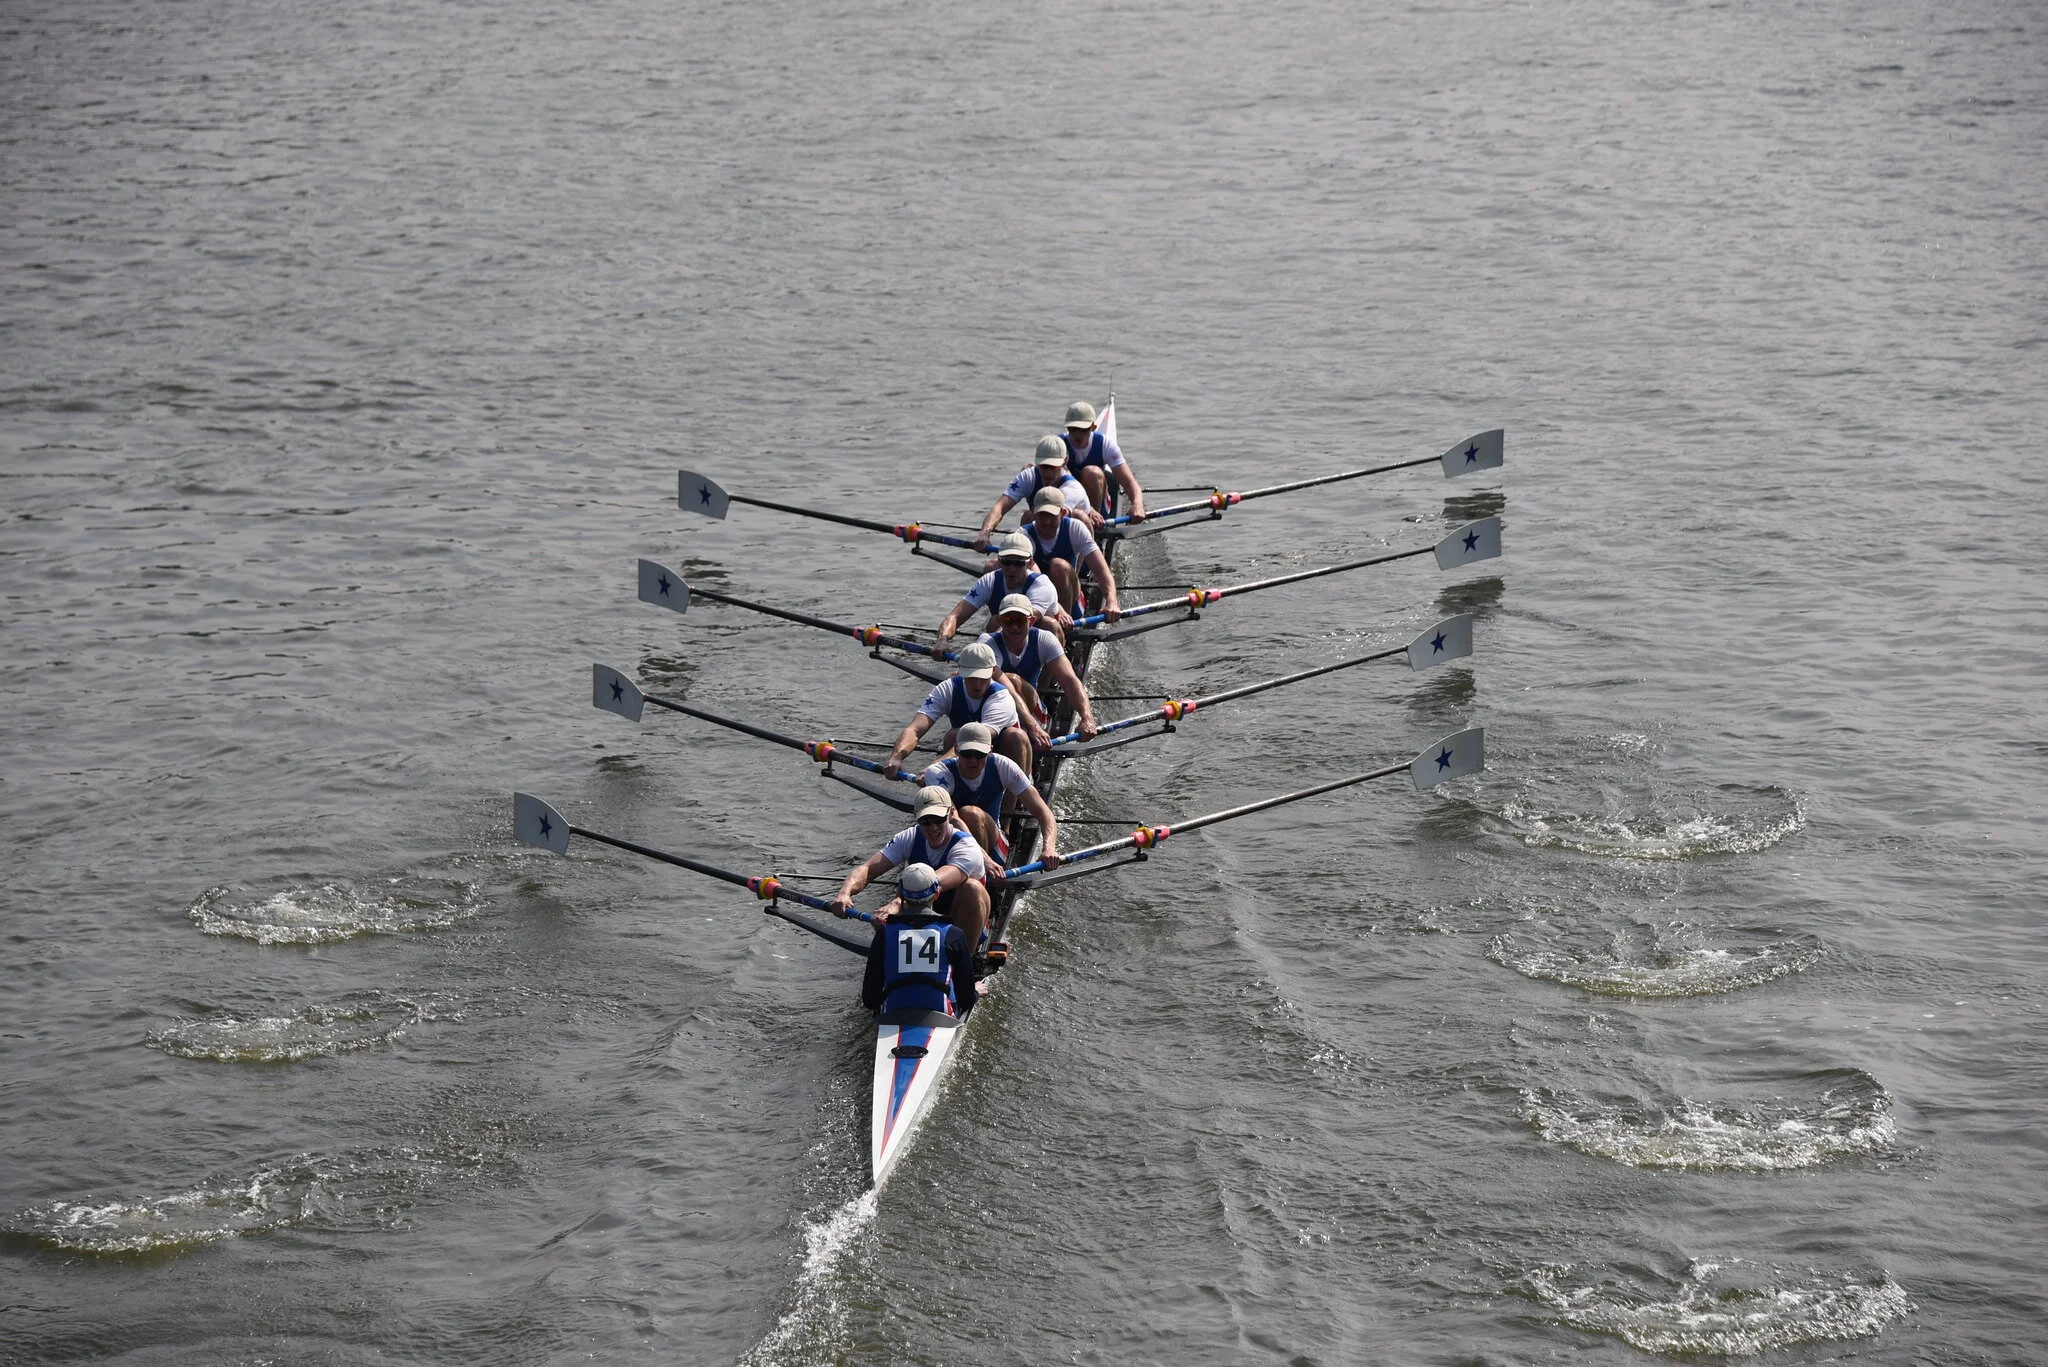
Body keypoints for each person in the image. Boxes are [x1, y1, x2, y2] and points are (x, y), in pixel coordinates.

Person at [834, 789, 992, 964]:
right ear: (916, 818)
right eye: (926, 821)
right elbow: (868, 869)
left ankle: (965, 960)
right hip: (925, 912)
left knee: (971, 888)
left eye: (939, 819)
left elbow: (933, 882)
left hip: (962, 919)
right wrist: (845, 892)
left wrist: (896, 904)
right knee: (907, 884)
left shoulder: (967, 846)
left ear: (950, 814)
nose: (933, 827)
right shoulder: (909, 837)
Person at [921, 721, 1063, 872]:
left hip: (993, 847)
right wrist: (984, 859)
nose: (973, 760)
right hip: (955, 842)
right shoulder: (938, 773)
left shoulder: (1003, 766)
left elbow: (1043, 812)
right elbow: (953, 820)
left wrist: (1049, 848)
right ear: (956, 749)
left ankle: (980, 873)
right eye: (967, 753)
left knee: (971, 814)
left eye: (979, 754)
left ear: (990, 751)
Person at [884, 641, 1033, 775]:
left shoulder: (1001, 697)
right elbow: (915, 729)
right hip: (968, 757)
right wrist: (896, 757)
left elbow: (976, 737)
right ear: (960, 670)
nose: (977, 684)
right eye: (972, 677)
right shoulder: (947, 689)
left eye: (983, 677)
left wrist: (936, 766)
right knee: (954, 735)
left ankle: (1015, 795)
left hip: (1004, 759)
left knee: (1015, 736)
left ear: (994, 671)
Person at [859, 862, 980, 1020]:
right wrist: (975, 992)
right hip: (942, 1016)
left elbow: (870, 1000)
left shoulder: (884, 933)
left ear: (901, 894)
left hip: (893, 1015)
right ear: (936, 894)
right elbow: (966, 999)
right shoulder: (953, 934)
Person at [980, 593, 1101, 740]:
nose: (1014, 627)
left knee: (1013, 680)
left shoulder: (1044, 639)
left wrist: (1087, 717)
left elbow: (1070, 681)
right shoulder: (987, 644)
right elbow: (1005, 688)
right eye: (1008, 620)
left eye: (1020, 620)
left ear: (1031, 621)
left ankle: (1029, 732)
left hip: (1034, 713)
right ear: (999, 620)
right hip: (998, 710)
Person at [932, 531, 1065, 655]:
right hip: (1009, 635)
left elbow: (1022, 619)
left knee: (1049, 624)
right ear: (999, 561)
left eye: (1018, 563)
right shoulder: (989, 581)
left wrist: (986, 644)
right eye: (1007, 562)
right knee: (995, 622)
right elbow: (955, 616)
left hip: (1040, 640)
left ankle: (1051, 669)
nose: (1012, 568)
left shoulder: (1041, 585)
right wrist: (942, 640)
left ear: (1029, 563)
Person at [976, 435, 1096, 546]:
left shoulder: (1072, 488)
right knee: (1029, 516)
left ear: (1065, 461)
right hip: (1045, 533)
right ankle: (1028, 556)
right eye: (1044, 466)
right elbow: (1000, 507)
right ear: (1037, 462)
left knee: (1036, 517)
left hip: (1072, 538)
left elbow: (1054, 520)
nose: (1048, 473)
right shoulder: (1028, 476)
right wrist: (985, 533)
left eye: (1053, 467)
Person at [1024, 487, 1122, 621]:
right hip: (1038, 599)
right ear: (1033, 512)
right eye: (1042, 515)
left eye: (1051, 515)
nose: (1046, 521)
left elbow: (1101, 570)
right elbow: (1036, 582)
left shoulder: (1075, 528)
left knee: (1058, 565)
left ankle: (1065, 624)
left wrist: (1111, 602)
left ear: (1063, 513)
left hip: (1071, 600)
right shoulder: (1024, 535)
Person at [1060, 401, 1146, 522]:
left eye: (1083, 430)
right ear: (1067, 427)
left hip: (1097, 506)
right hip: (1068, 502)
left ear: (1093, 428)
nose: (1077, 434)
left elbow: (1129, 483)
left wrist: (1137, 504)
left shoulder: (1105, 445)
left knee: (1091, 472)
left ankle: (1095, 524)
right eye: (1073, 429)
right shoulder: (1058, 445)